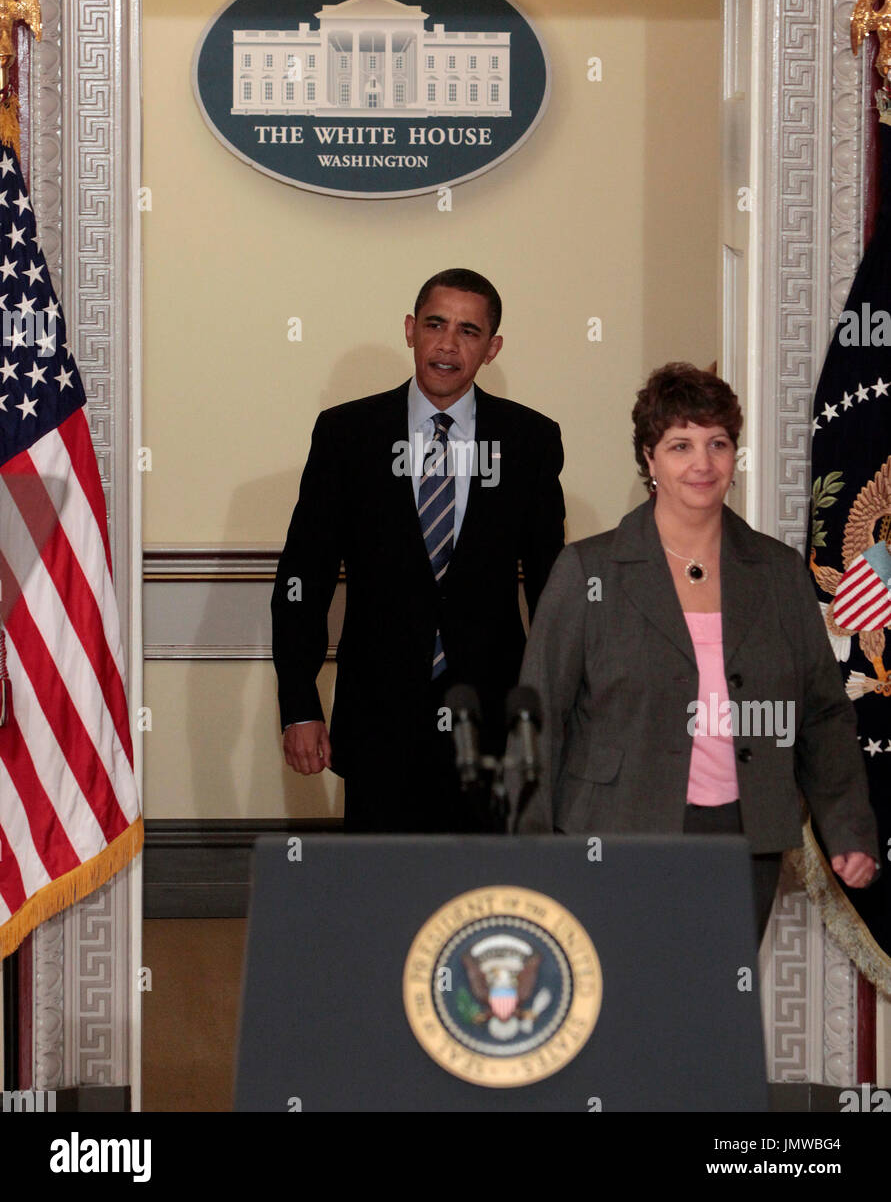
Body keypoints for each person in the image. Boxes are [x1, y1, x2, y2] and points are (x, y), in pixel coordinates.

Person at [512, 362, 878, 940]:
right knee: (622, 1011)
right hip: (613, 835)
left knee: (716, 1014)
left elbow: (824, 714)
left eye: (718, 443)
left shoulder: (778, 573)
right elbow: (538, 718)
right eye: (680, 445)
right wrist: (530, 853)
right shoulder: (588, 569)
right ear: (650, 459)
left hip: (744, 840)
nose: (702, 463)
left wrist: (849, 829)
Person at [272, 268, 565, 832]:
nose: (448, 344)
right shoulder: (347, 434)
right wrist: (300, 704)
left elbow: (549, 587)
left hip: (491, 723)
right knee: (378, 903)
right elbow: (302, 580)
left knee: (481, 905)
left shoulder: (529, 440)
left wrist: (554, 715)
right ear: (411, 330)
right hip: (378, 719)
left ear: (492, 347)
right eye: (435, 324)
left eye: (468, 331)